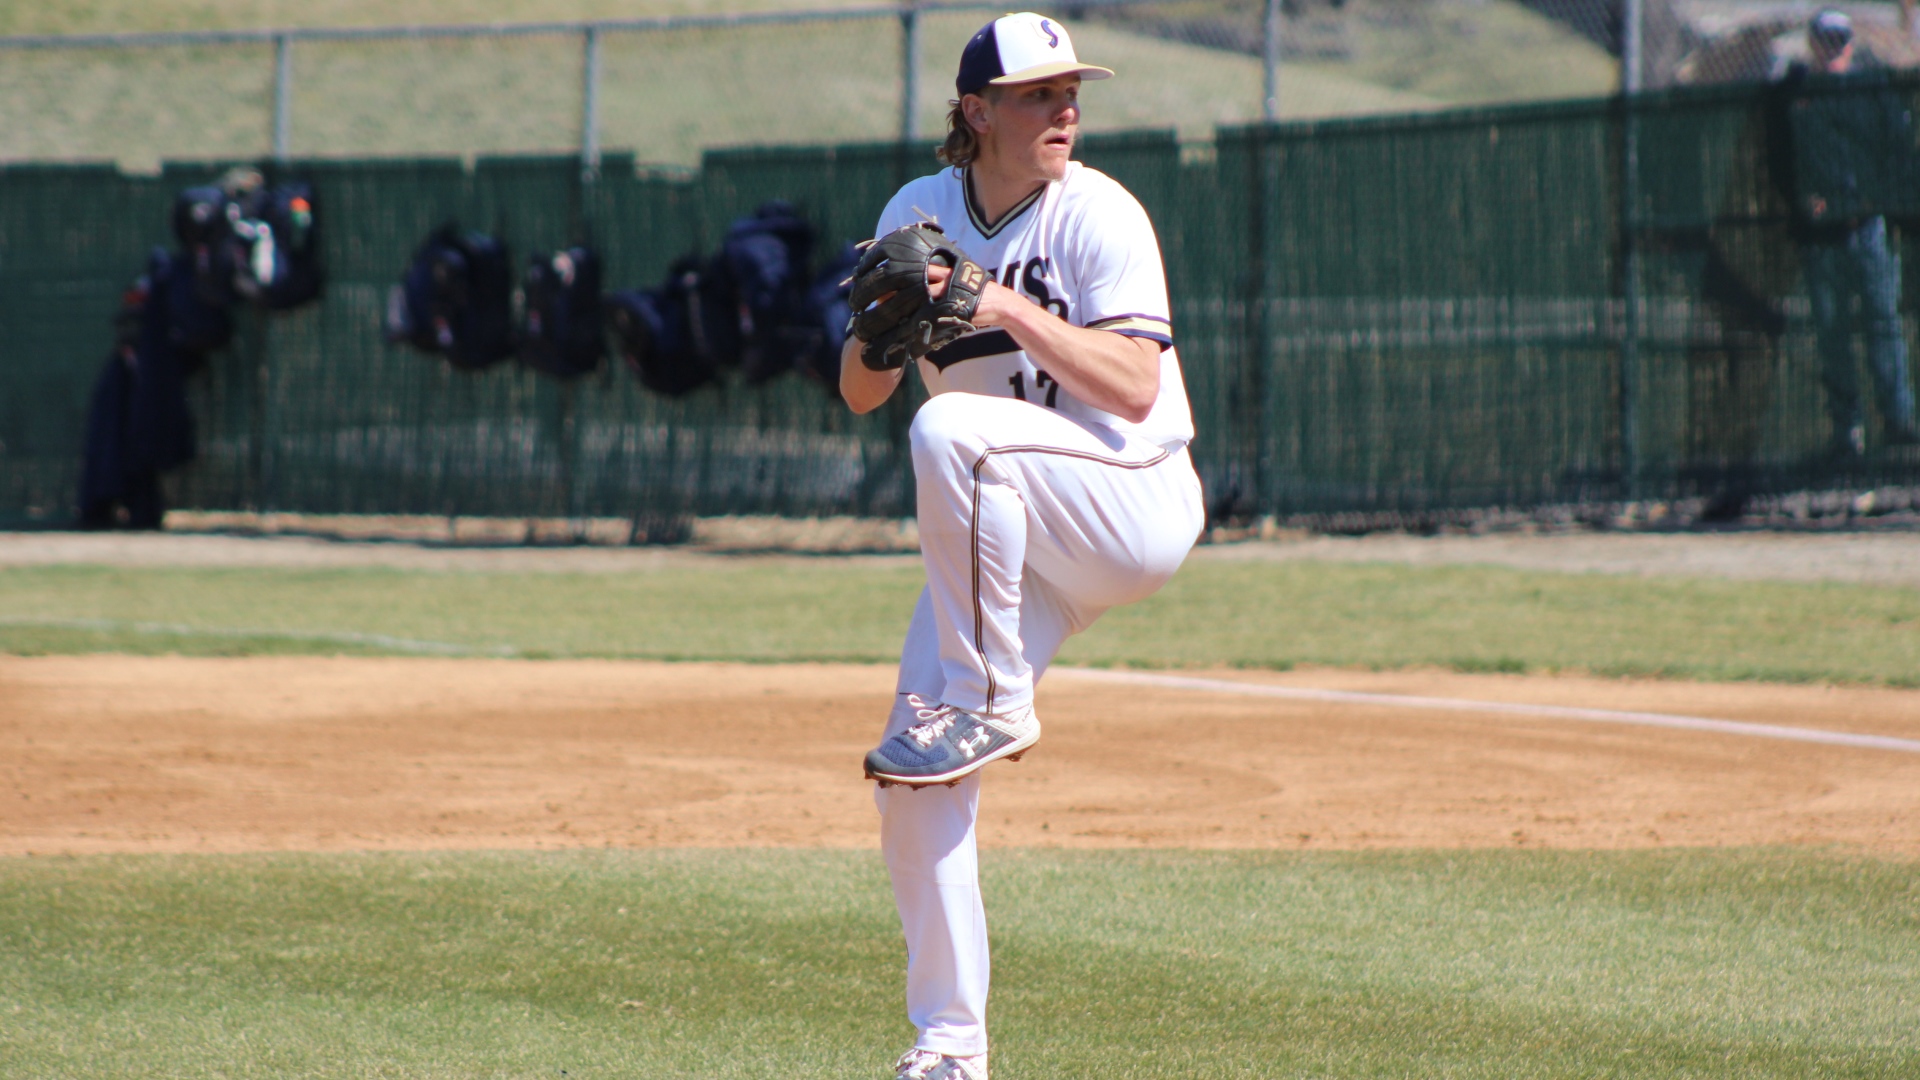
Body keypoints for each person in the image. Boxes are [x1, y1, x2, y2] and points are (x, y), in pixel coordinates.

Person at [837, 12, 1204, 1079]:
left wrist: (995, 301)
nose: (1066, 109)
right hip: (1009, 539)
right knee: (914, 771)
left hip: (1127, 501)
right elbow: (860, 392)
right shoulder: (917, 211)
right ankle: (950, 1048)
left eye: (1071, 90)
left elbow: (1136, 387)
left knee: (953, 428)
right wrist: (883, 326)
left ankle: (993, 701)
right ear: (976, 112)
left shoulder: (1100, 214)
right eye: (1040, 94)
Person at [1779, 9, 1920, 455]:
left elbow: (1895, 151)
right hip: (1822, 235)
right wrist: (1806, 204)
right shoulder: (1798, 95)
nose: (1832, 49)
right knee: (1832, 330)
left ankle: (1897, 422)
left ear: (1850, 43)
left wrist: (1873, 203)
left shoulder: (1870, 89)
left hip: (1868, 228)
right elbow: (1784, 161)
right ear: (1813, 43)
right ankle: (1846, 432)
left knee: (1883, 323)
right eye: (1824, 40)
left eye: (1839, 40)